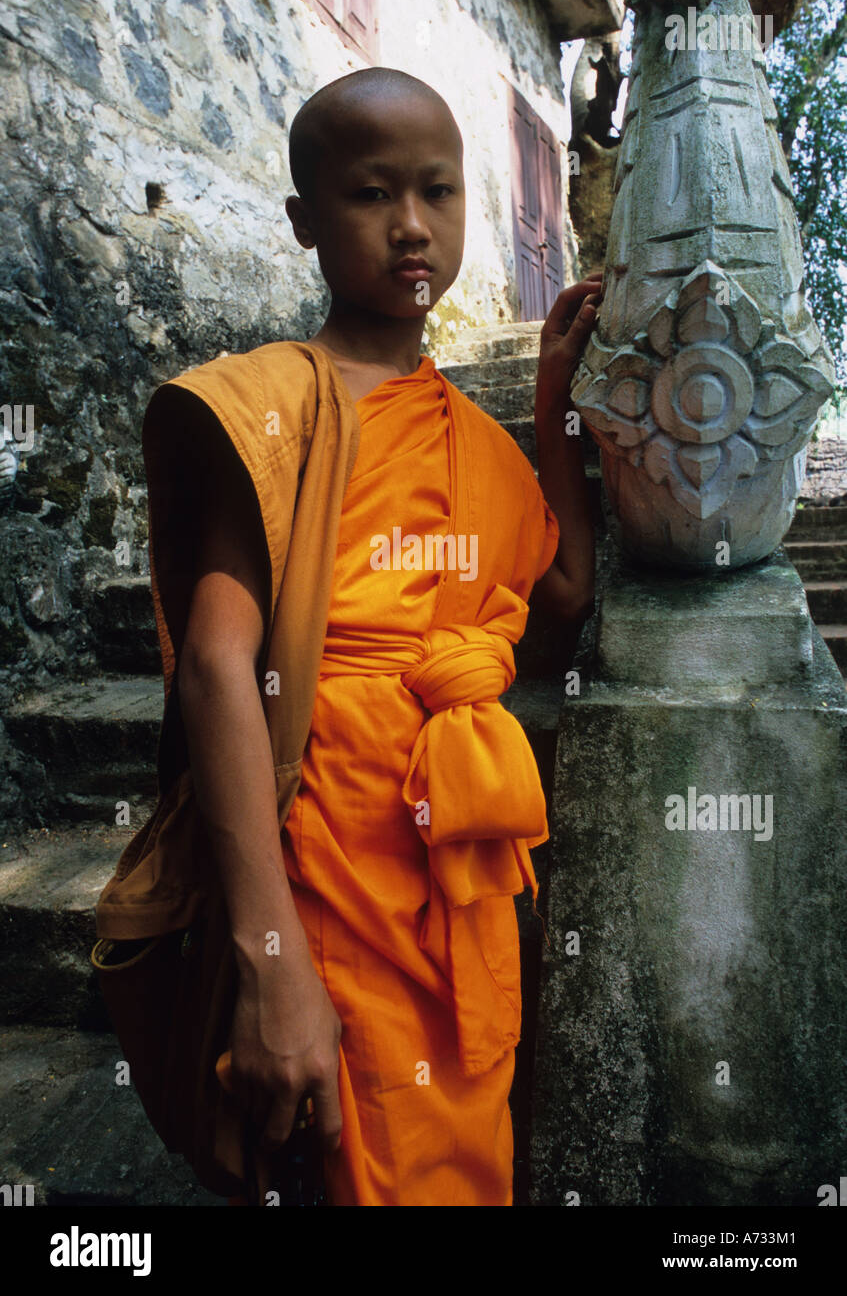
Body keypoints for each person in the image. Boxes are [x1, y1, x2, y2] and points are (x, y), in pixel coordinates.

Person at [175, 67, 600, 1205]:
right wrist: (272, 966)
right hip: (331, 862)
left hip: (461, 867)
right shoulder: (276, 409)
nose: (412, 226)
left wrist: (553, 393)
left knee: (463, 1146)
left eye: (438, 191)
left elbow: (559, 585)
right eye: (370, 195)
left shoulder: (471, 435)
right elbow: (218, 661)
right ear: (306, 221)